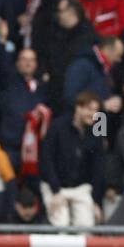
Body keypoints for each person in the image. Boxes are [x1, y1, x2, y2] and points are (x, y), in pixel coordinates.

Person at [39, 92, 106, 227]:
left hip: (81, 188)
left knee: (86, 226)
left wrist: (96, 202)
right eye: (89, 109)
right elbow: (46, 160)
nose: (93, 114)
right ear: (78, 108)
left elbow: (99, 168)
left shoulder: (97, 130)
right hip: (55, 186)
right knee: (61, 225)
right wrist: (56, 191)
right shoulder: (58, 126)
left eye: (96, 111)